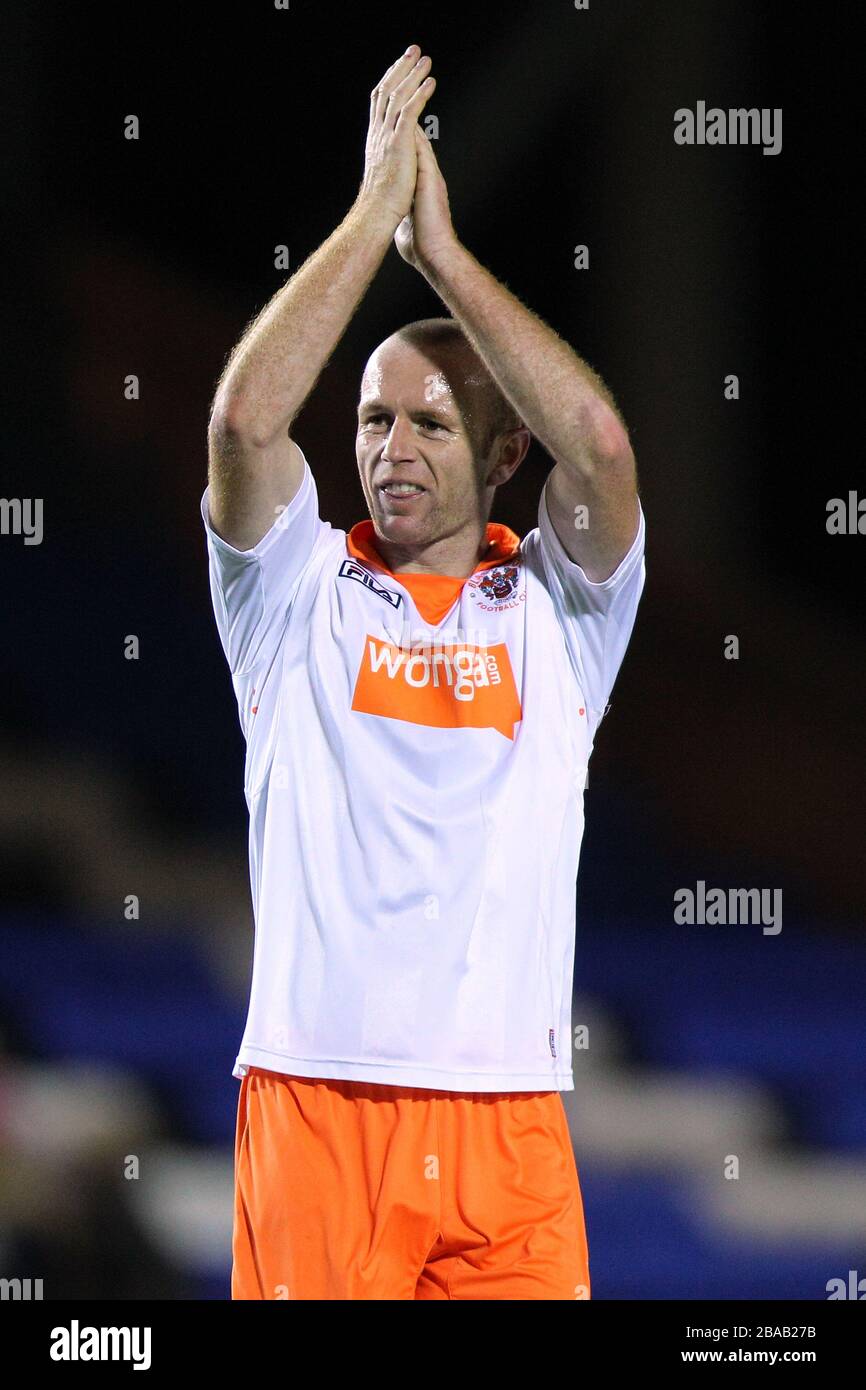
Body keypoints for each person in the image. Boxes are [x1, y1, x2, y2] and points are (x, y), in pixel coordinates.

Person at [202, 43, 645, 1300]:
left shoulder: (559, 611)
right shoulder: (289, 590)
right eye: (372, 420)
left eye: (431, 423)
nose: (390, 449)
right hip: (316, 1101)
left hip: (509, 1121)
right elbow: (243, 425)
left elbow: (602, 447)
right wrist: (368, 215)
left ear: (505, 455)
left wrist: (441, 256)